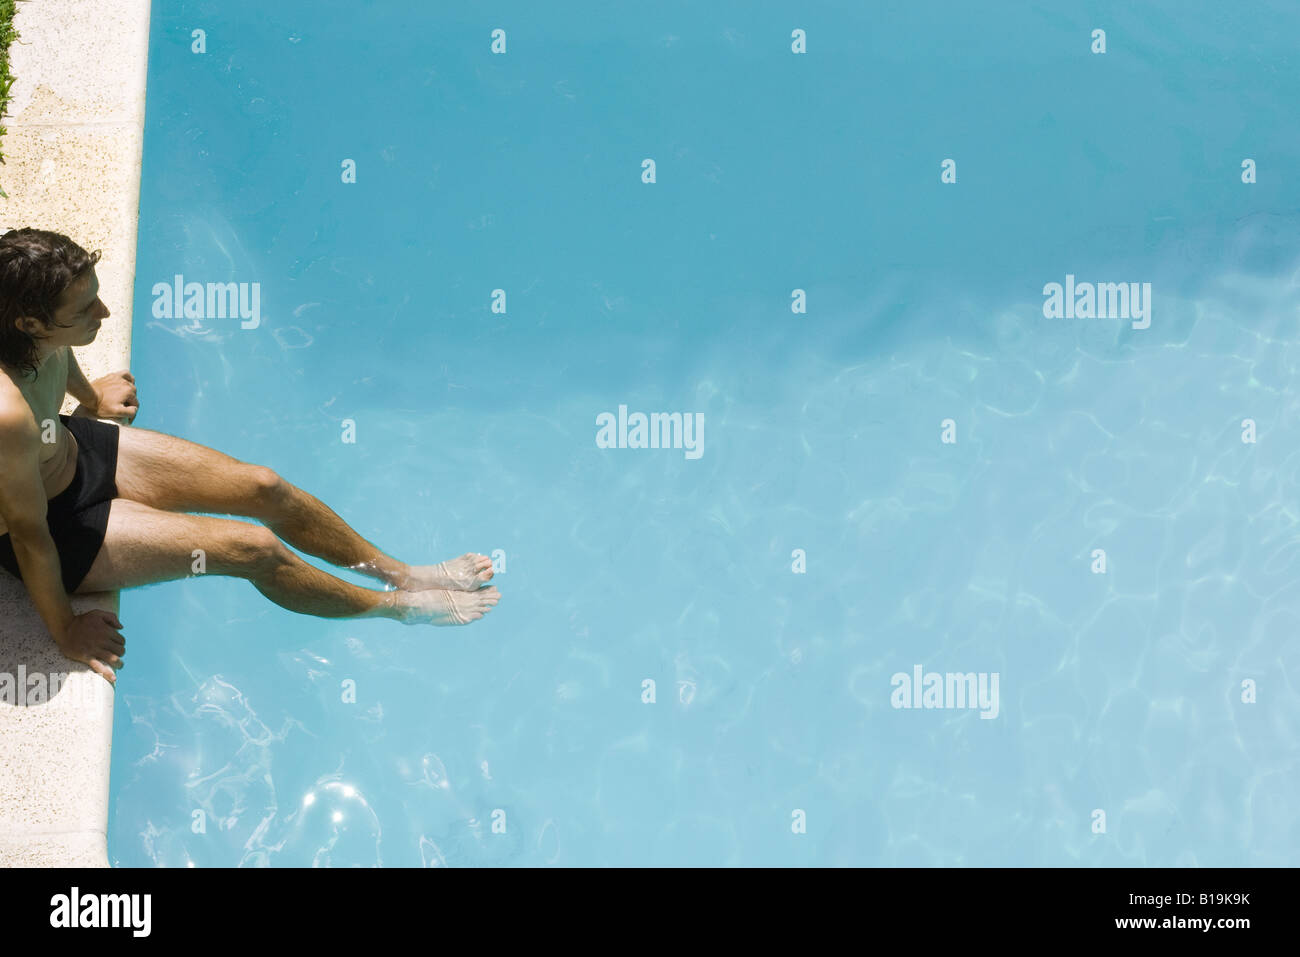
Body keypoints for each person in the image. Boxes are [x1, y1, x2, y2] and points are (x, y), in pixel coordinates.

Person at [0, 228, 500, 686]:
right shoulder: (7, 416)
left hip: (70, 450)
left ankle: (402, 572)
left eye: (96, 297)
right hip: (58, 525)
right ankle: (395, 607)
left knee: (265, 486)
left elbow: (56, 354)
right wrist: (66, 630)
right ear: (29, 322)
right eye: (84, 310)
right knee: (253, 549)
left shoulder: (30, 329)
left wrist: (90, 400)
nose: (103, 314)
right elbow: (28, 534)